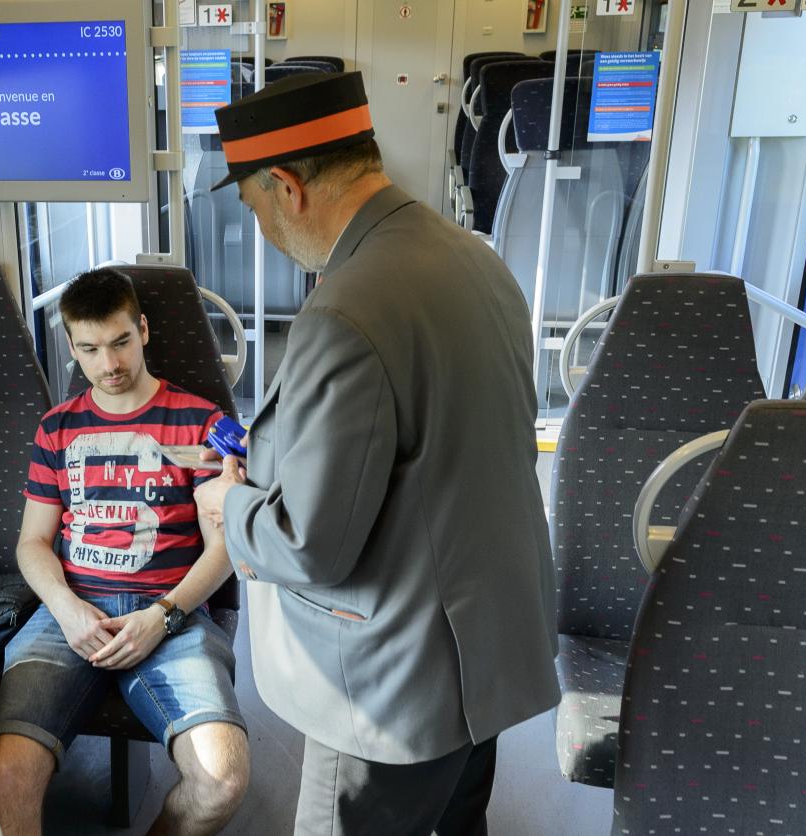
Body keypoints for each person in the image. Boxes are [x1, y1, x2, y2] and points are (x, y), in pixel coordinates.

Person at [192, 72, 560, 836]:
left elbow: (310, 543)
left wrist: (230, 505)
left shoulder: (345, 311)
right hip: (485, 649)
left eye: (254, 205)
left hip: (394, 686)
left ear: (286, 187)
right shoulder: (477, 259)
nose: (260, 226)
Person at [0, 269, 250, 836]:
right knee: (8, 772)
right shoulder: (56, 429)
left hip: (172, 611)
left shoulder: (202, 424)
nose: (109, 364)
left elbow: (226, 549)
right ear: (72, 348)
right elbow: (32, 542)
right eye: (90, 349)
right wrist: (63, 606)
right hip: (71, 609)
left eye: (121, 342)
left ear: (144, 330)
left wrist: (164, 616)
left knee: (222, 779)